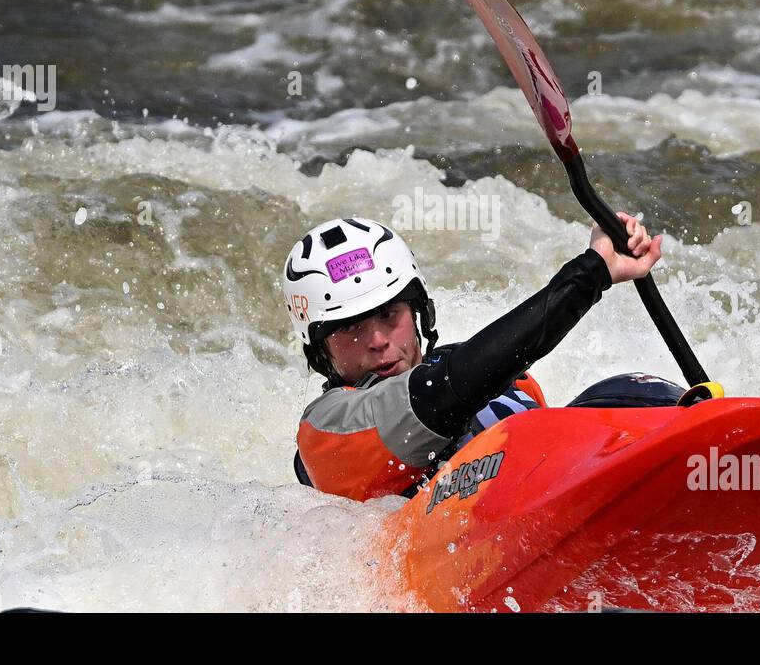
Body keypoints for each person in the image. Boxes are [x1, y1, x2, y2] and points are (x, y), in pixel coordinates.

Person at [281, 213, 681, 501]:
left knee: (636, 391)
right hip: (450, 544)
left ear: (420, 313)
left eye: (390, 315)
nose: (378, 340)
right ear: (321, 353)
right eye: (351, 329)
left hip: (548, 496)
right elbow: (437, 399)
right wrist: (592, 273)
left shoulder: (501, 378)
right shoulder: (326, 430)